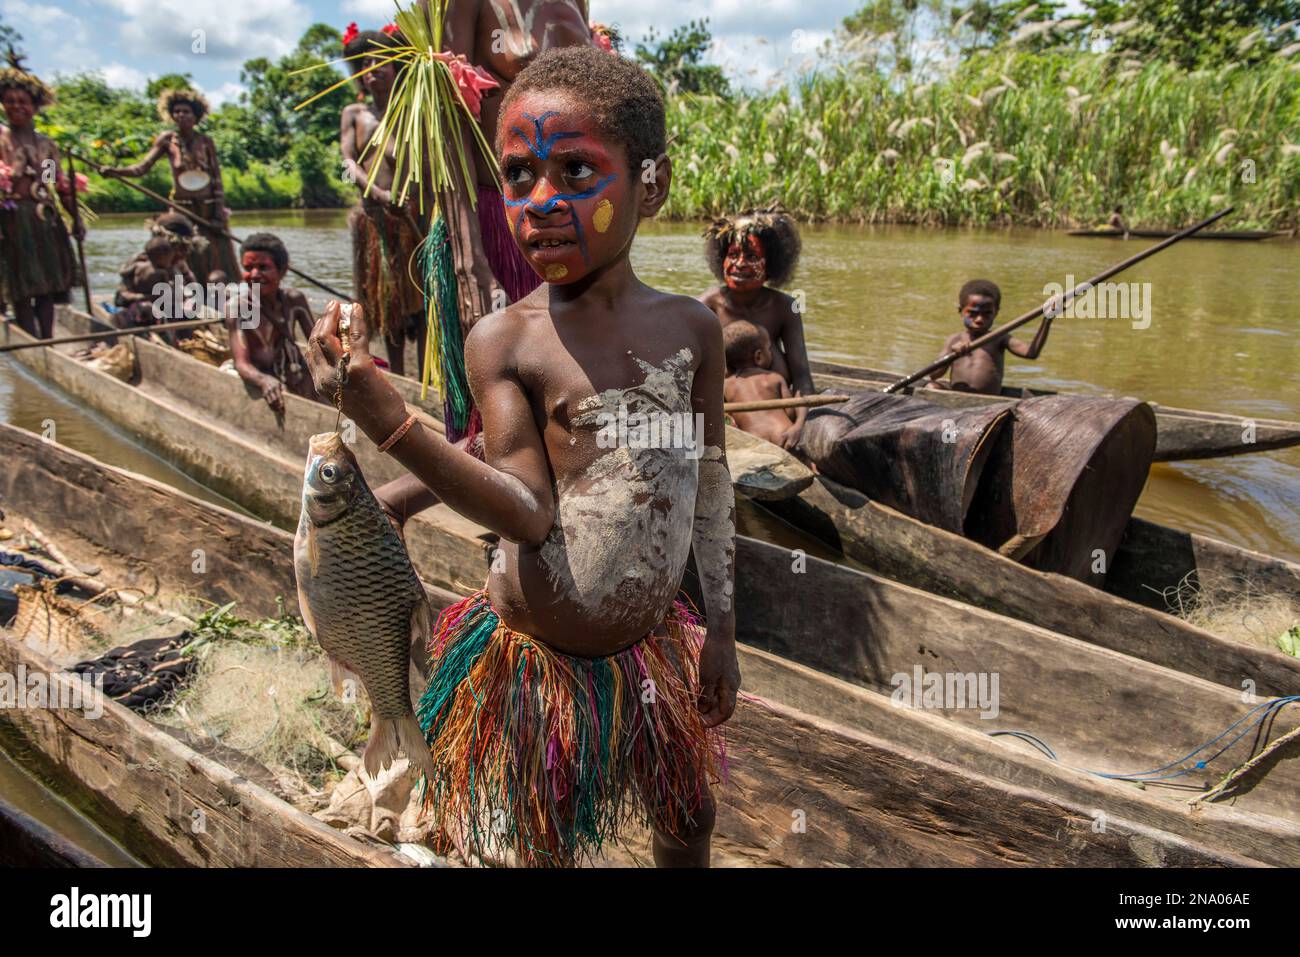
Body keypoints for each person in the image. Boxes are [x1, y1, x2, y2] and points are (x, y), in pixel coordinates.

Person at [305, 47, 738, 868]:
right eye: (518, 175)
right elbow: (530, 509)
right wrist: (389, 419)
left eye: (577, 170)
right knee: (541, 840)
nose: (540, 201)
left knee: (688, 817)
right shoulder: (505, 340)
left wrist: (721, 627)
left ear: (653, 183)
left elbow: (708, 485)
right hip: (538, 668)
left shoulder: (693, 329)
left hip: (650, 651)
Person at [340, 25, 426, 379]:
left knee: (421, 303)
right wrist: (377, 193)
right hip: (376, 219)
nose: (374, 70)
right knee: (388, 304)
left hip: (413, 220)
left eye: (382, 63)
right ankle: (398, 378)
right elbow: (348, 163)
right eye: (367, 65)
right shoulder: (355, 114)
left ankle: (425, 378)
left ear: (396, 69)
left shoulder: (415, 111)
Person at [699, 205, 813, 447]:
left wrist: (800, 426)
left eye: (751, 256)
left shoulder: (786, 307)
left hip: (784, 422)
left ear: (771, 264)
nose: (740, 264)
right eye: (733, 255)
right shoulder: (706, 306)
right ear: (722, 258)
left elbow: (803, 378)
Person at [103, 87, 238, 282]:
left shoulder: (206, 142)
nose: (181, 115)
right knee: (180, 254)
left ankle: (220, 295)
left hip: (208, 210)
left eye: (186, 111)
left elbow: (217, 180)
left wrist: (218, 215)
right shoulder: (167, 140)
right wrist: (116, 172)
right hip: (181, 210)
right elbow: (142, 168)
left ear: (196, 116)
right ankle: (182, 294)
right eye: (177, 111)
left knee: (216, 256)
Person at [0, 60, 81, 338]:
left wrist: (75, 218)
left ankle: (46, 340)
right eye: (9, 101)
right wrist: (17, 169)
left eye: (22, 102)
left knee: (45, 286)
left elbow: (53, 185)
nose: (16, 107)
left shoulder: (45, 145)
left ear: (34, 108)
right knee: (22, 287)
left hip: (43, 220)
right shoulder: (2, 140)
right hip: (12, 218)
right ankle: (29, 338)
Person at [225, 233, 316, 412]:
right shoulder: (237, 307)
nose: (254, 275)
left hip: (290, 372)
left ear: (282, 271)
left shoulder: (294, 301)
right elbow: (241, 363)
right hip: (256, 376)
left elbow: (319, 346)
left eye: (263, 267)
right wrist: (263, 380)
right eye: (248, 268)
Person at [927, 279, 1053, 395]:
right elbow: (934, 375)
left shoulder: (1000, 338)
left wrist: (1047, 321)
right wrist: (951, 357)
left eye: (987, 313)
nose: (979, 319)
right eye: (972, 313)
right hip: (956, 397)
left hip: (988, 404)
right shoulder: (954, 340)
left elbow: (1031, 353)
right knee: (931, 387)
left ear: (996, 312)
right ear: (961, 311)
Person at [722, 320, 804, 448]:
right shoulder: (774, 378)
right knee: (808, 463)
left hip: (753, 439)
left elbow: (725, 416)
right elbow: (790, 412)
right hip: (783, 433)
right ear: (758, 357)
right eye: (769, 349)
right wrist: (797, 424)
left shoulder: (726, 386)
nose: (771, 353)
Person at [113, 236, 173, 328]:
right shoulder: (162, 273)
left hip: (134, 305)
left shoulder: (137, 265)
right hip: (150, 307)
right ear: (161, 258)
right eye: (169, 259)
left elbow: (123, 273)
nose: (170, 262)